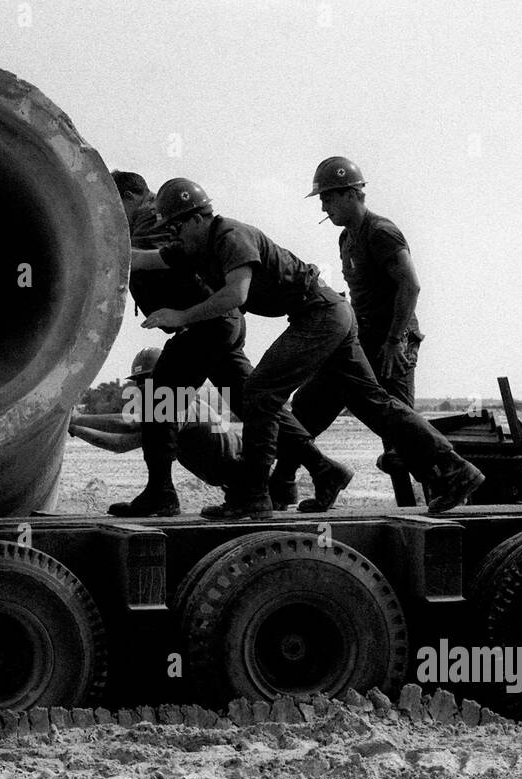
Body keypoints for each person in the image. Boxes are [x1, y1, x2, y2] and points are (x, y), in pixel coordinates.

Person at [135, 177, 485, 519]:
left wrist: (182, 316)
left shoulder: (230, 235)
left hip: (320, 313)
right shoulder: (195, 245)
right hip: (330, 313)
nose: (173, 236)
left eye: (177, 228)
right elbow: (149, 259)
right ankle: (454, 468)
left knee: (260, 392)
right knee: (371, 402)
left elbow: (235, 295)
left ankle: (255, 495)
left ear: (197, 217)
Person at [108, 170, 348, 517]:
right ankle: (323, 468)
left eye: (114, 203)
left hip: (207, 324)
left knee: (158, 395)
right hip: (222, 323)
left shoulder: (152, 220)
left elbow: (162, 257)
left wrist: (182, 315)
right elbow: (151, 260)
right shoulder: (166, 224)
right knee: (252, 401)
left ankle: (160, 492)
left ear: (130, 196)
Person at [275, 156, 424, 502]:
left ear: (350, 194)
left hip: (392, 344)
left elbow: (410, 285)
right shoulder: (347, 239)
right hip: (362, 339)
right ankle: (284, 484)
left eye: (328, 198)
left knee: (399, 432)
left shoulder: (380, 232)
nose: (325, 208)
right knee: (310, 404)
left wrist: (394, 341)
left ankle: (431, 495)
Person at [70, 348, 241, 492]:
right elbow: (120, 443)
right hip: (240, 485)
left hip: (258, 479)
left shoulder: (182, 404)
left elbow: (129, 424)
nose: (142, 386)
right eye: (139, 381)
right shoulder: (166, 419)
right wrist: (75, 428)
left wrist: (78, 418)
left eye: (147, 379)